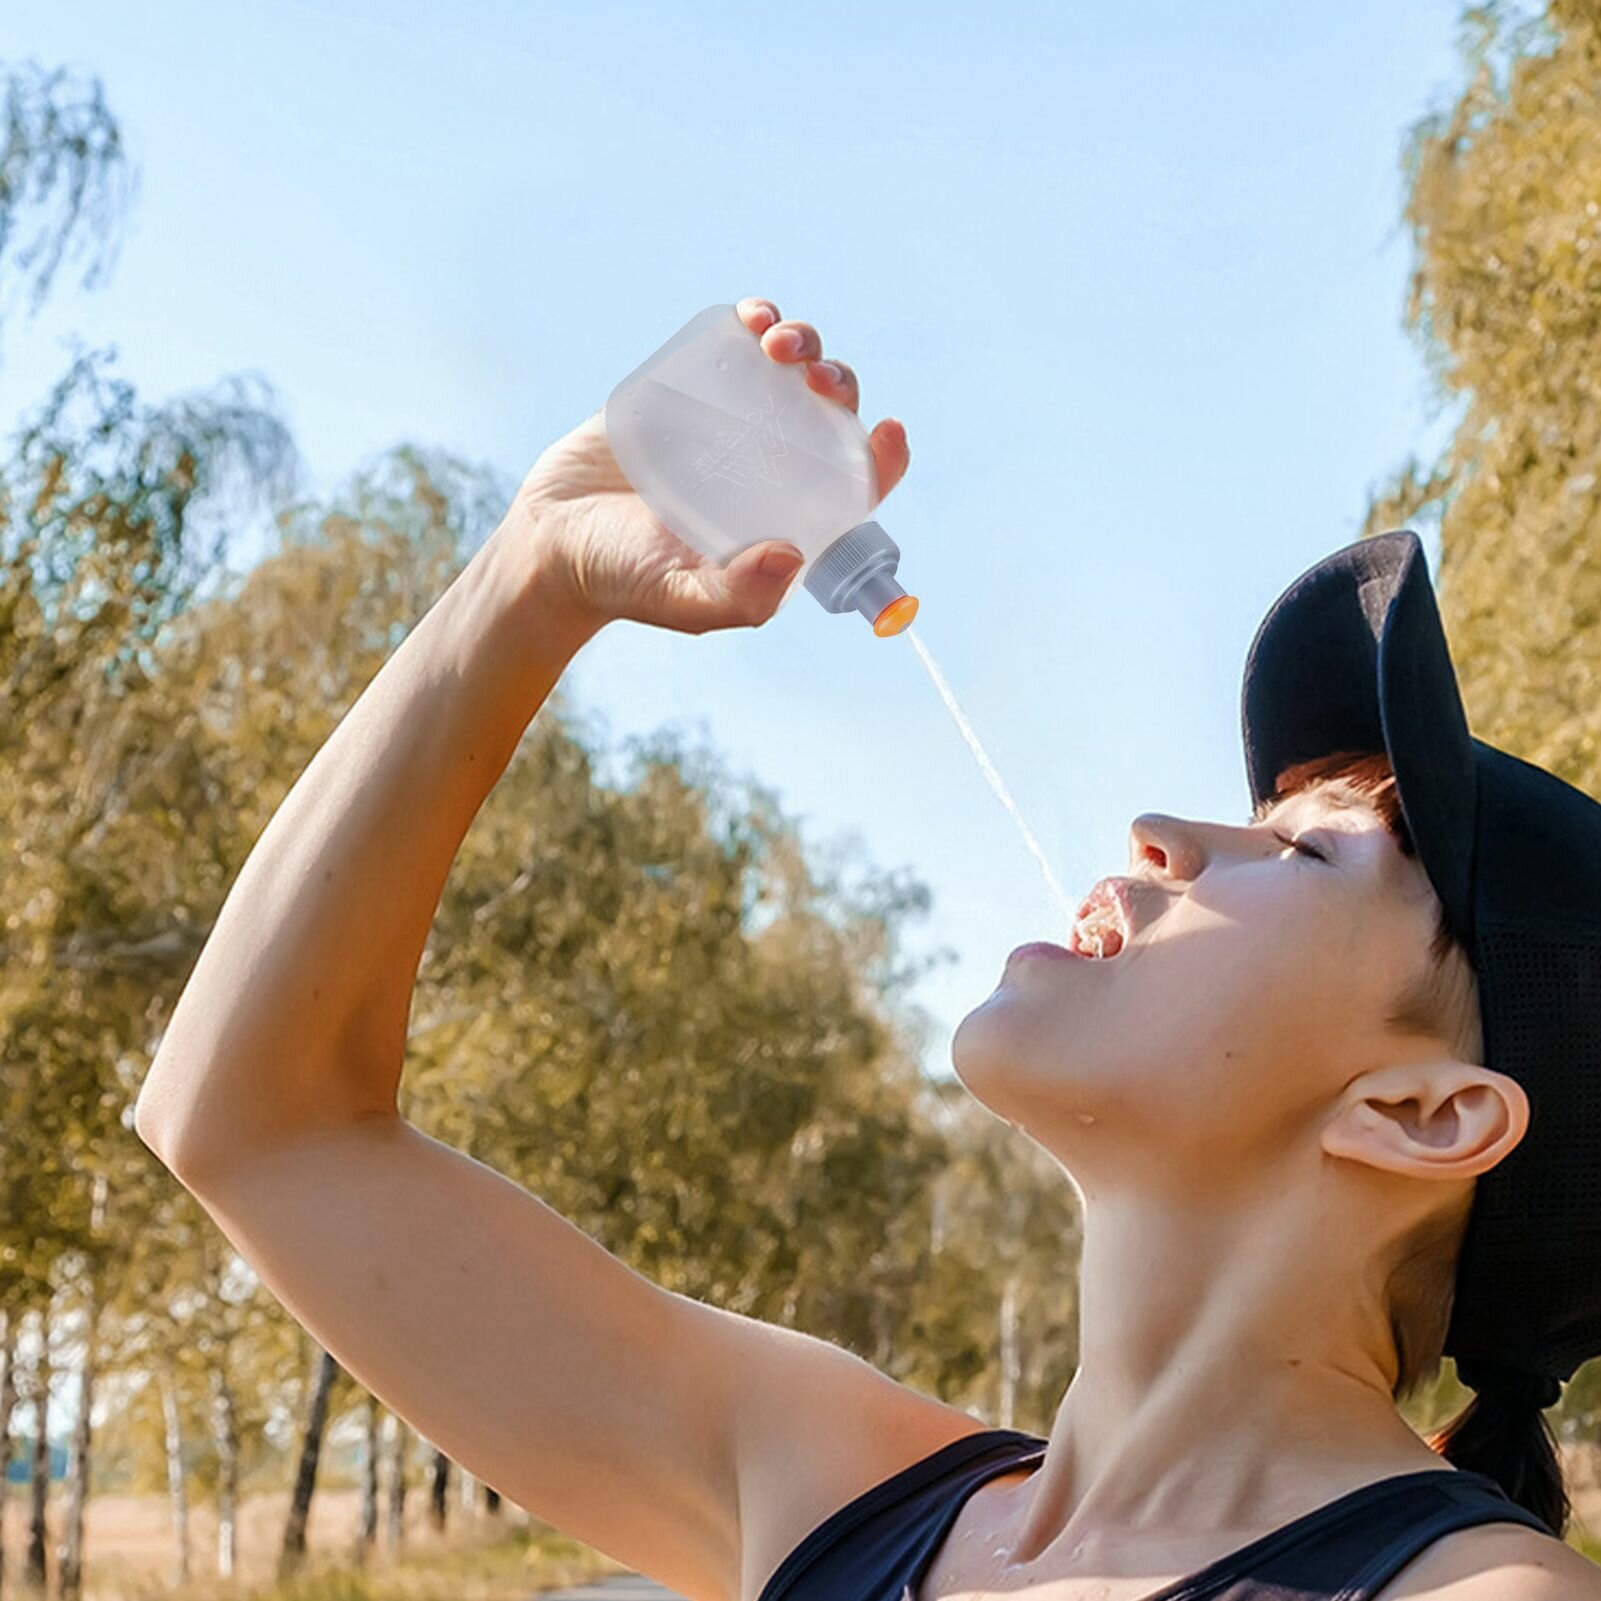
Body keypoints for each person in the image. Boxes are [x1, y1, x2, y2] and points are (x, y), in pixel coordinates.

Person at [134, 297, 1601, 1601]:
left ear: (1425, 1111)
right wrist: (532, 579)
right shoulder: (826, 1483)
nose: (1159, 829)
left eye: (1299, 849)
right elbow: (255, 1122)